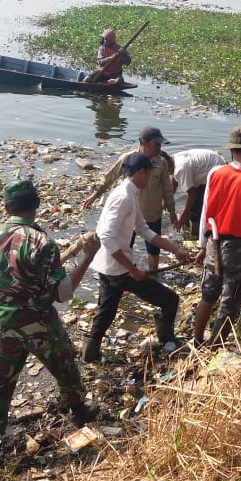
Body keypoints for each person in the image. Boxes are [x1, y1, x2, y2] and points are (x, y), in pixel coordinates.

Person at [0, 180, 101, 465]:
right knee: (65, 361)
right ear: (37, 205)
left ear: (7, 208)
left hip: (2, 322)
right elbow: (62, 293)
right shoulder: (42, 243)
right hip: (37, 322)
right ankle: (79, 411)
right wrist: (87, 257)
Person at [83, 153, 191, 363]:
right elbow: (106, 235)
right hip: (119, 269)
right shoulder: (124, 197)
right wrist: (132, 269)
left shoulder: (128, 193)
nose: (149, 179)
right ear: (141, 172)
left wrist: (174, 249)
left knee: (106, 311)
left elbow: (143, 229)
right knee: (170, 300)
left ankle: (89, 353)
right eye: (149, 174)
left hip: (108, 266)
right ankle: (167, 341)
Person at [192, 126, 241, 346]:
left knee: (208, 294)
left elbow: (206, 211)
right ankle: (214, 346)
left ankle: (197, 341)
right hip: (238, 249)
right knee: (230, 302)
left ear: (232, 150)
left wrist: (202, 245)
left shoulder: (215, 173)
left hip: (214, 241)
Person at [82, 126, 177, 272]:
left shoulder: (161, 162)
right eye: (156, 143)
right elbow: (110, 178)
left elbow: (167, 188)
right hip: (129, 214)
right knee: (125, 246)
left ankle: (152, 275)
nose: (159, 147)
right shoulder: (128, 160)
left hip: (152, 213)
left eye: (160, 144)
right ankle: (127, 273)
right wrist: (95, 195)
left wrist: (172, 211)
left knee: (153, 250)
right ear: (144, 143)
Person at [171, 148, 226, 238]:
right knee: (189, 207)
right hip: (208, 166)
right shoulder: (173, 160)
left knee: (196, 208)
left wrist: (184, 214)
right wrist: (168, 201)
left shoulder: (181, 168)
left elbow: (192, 194)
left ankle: (196, 235)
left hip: (218, 171)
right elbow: (173, 178)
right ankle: (187, 225)